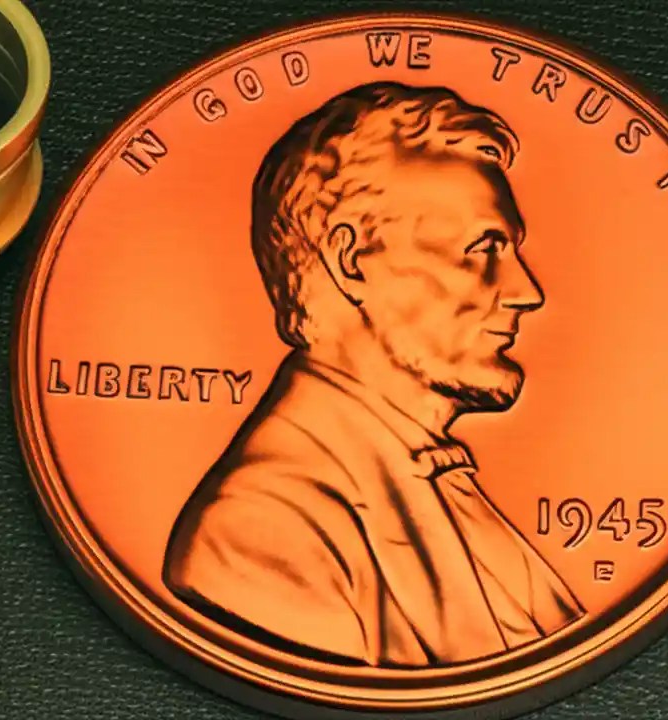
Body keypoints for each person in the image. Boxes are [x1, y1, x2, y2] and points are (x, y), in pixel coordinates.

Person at [163, 82, 584, 667]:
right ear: (353, 260)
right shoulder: (258, 529)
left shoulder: (434, 480)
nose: (526, 293)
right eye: (483, 249)